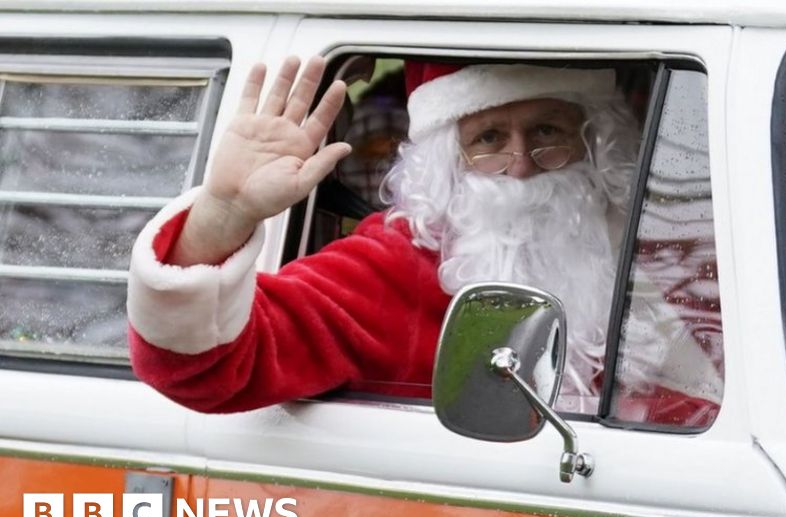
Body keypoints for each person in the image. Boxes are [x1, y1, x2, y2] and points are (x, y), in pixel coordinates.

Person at [127, 56, 719, 424]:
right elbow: (202, 369)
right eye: (488, 138)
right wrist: (221, 216)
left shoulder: (661, 251)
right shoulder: (392, 266)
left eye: (547, 130)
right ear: (447, 161)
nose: (520, 166)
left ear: (595, 143)